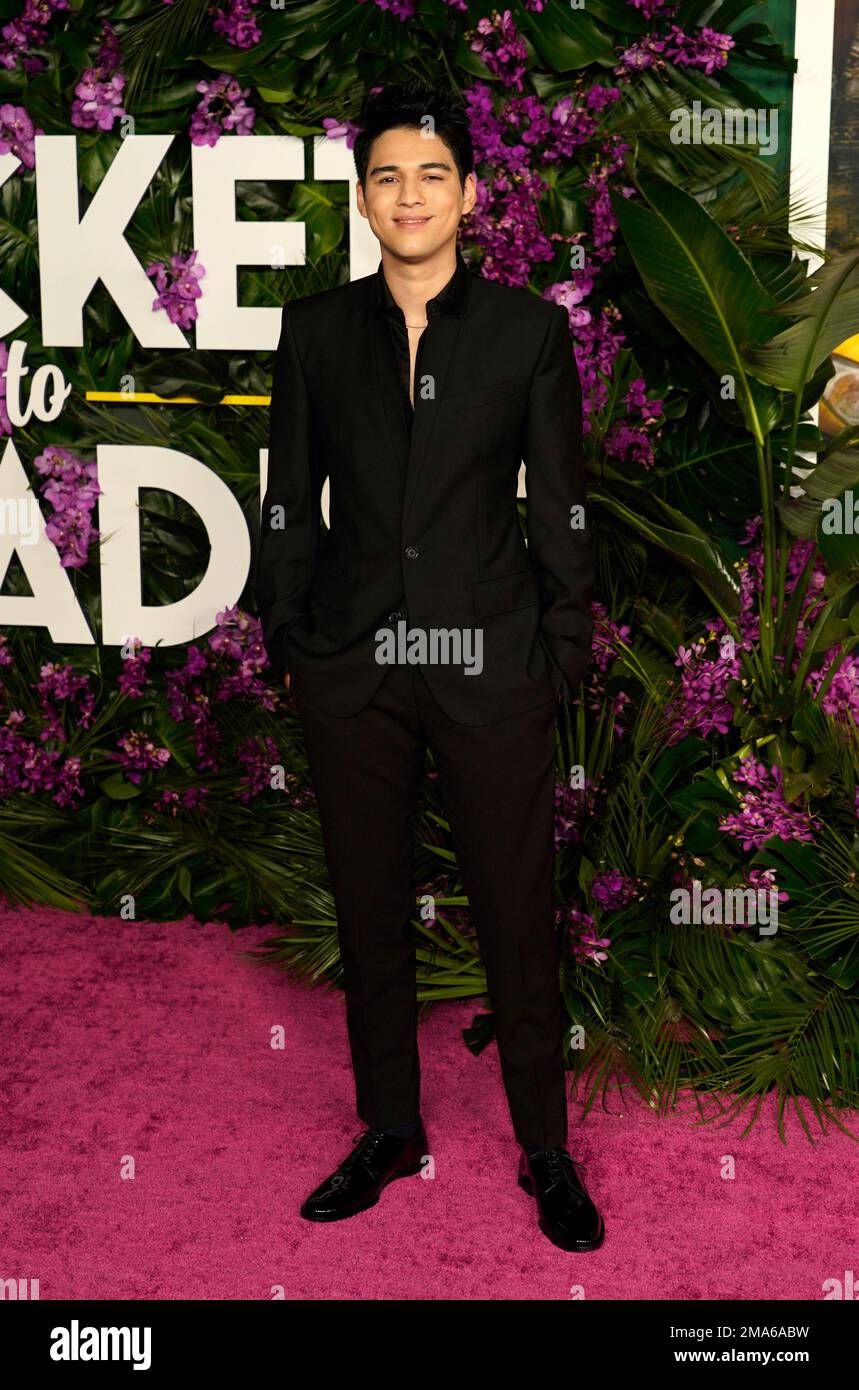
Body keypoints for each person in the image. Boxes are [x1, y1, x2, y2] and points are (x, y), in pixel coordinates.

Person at [254, 79, 603, 1252]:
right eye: (388, 176)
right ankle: (391, 1127)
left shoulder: (525, 331)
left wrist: (559, 650)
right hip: (354, 666)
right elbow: (289, 502)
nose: (410, 195)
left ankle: (543, 1147)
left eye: (432, 174)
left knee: (516, 911)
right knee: (369, 909)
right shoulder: (314, 331)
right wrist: (292, 640)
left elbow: (559, 508)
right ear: (365, 201)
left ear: (470, 195)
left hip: (492, 664)